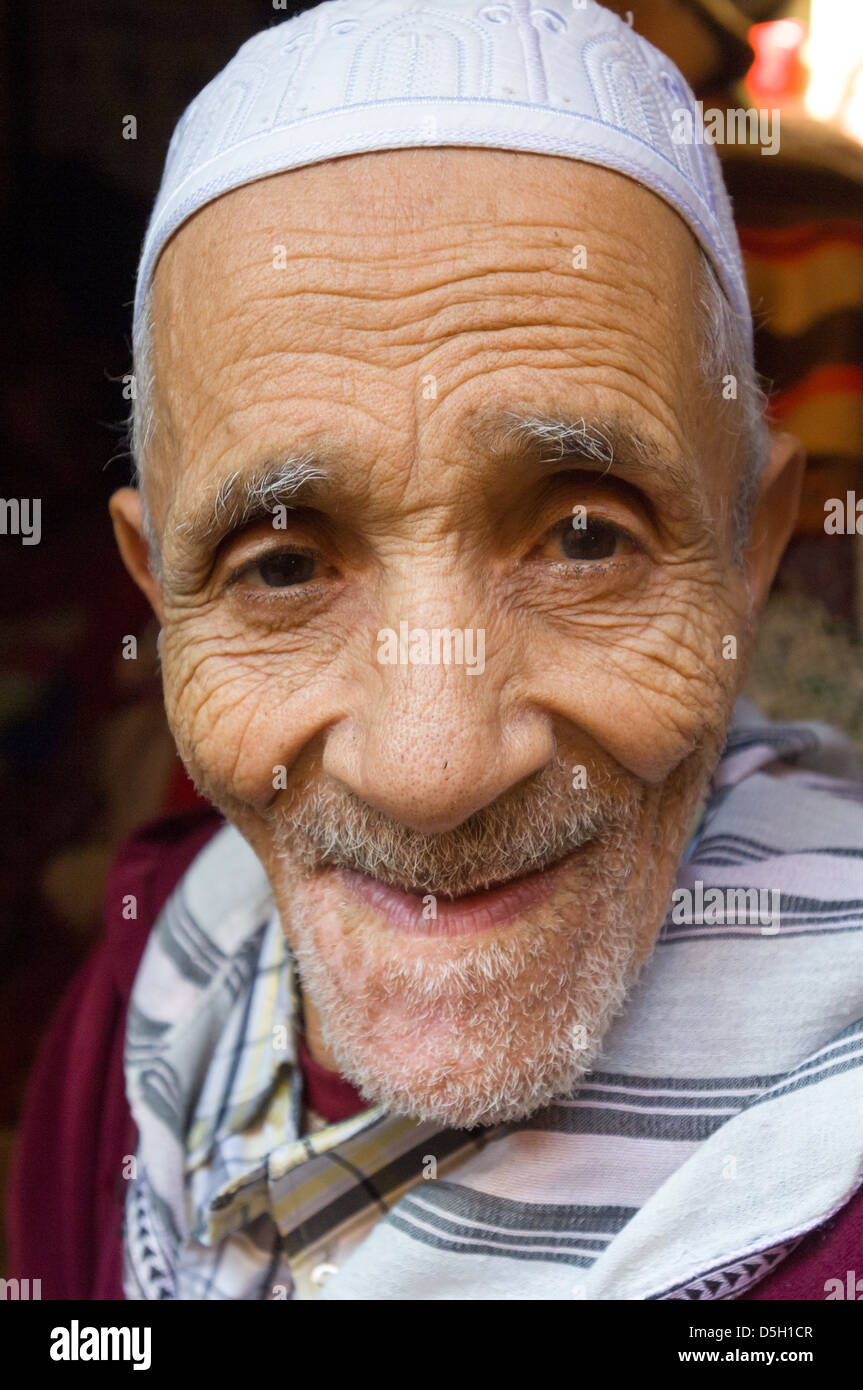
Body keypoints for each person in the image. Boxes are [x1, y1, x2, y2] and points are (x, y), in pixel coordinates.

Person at [9, 0, 863, 1301]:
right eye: (282, 564)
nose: (433, 766)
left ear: (749, 555)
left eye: (585, 537)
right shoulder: (143, 1008)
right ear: (162, 596)